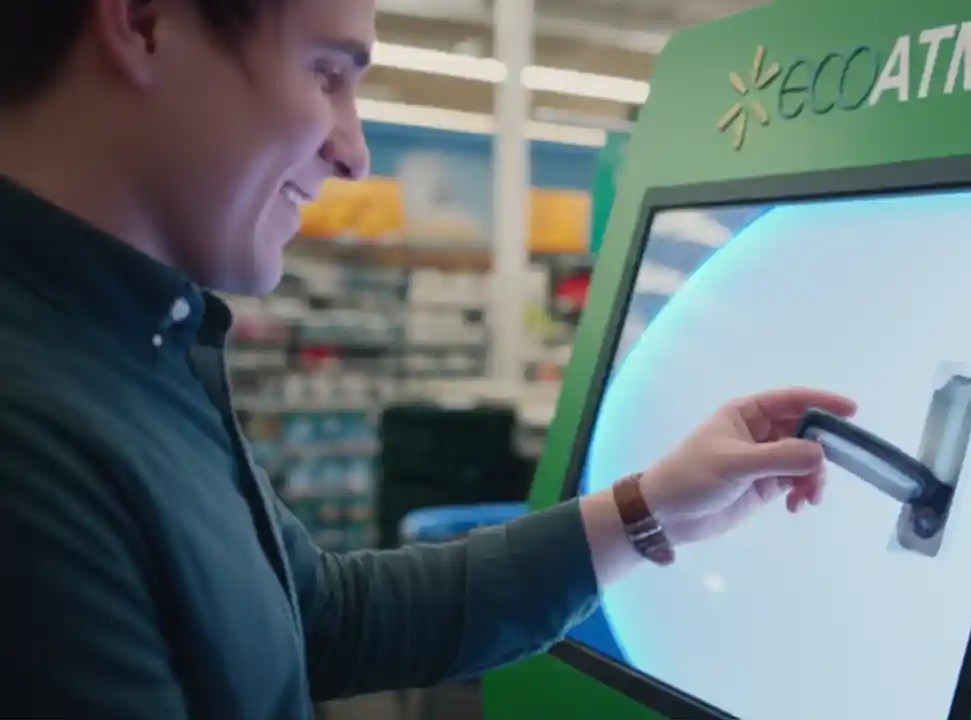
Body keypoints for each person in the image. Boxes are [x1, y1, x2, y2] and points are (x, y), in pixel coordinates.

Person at [0, 0, 855, 717]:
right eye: (327, 75)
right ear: (146, 22)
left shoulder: (139, 344)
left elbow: (321, 618)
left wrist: (650, 508)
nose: (354, 152)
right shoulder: (33, 445)